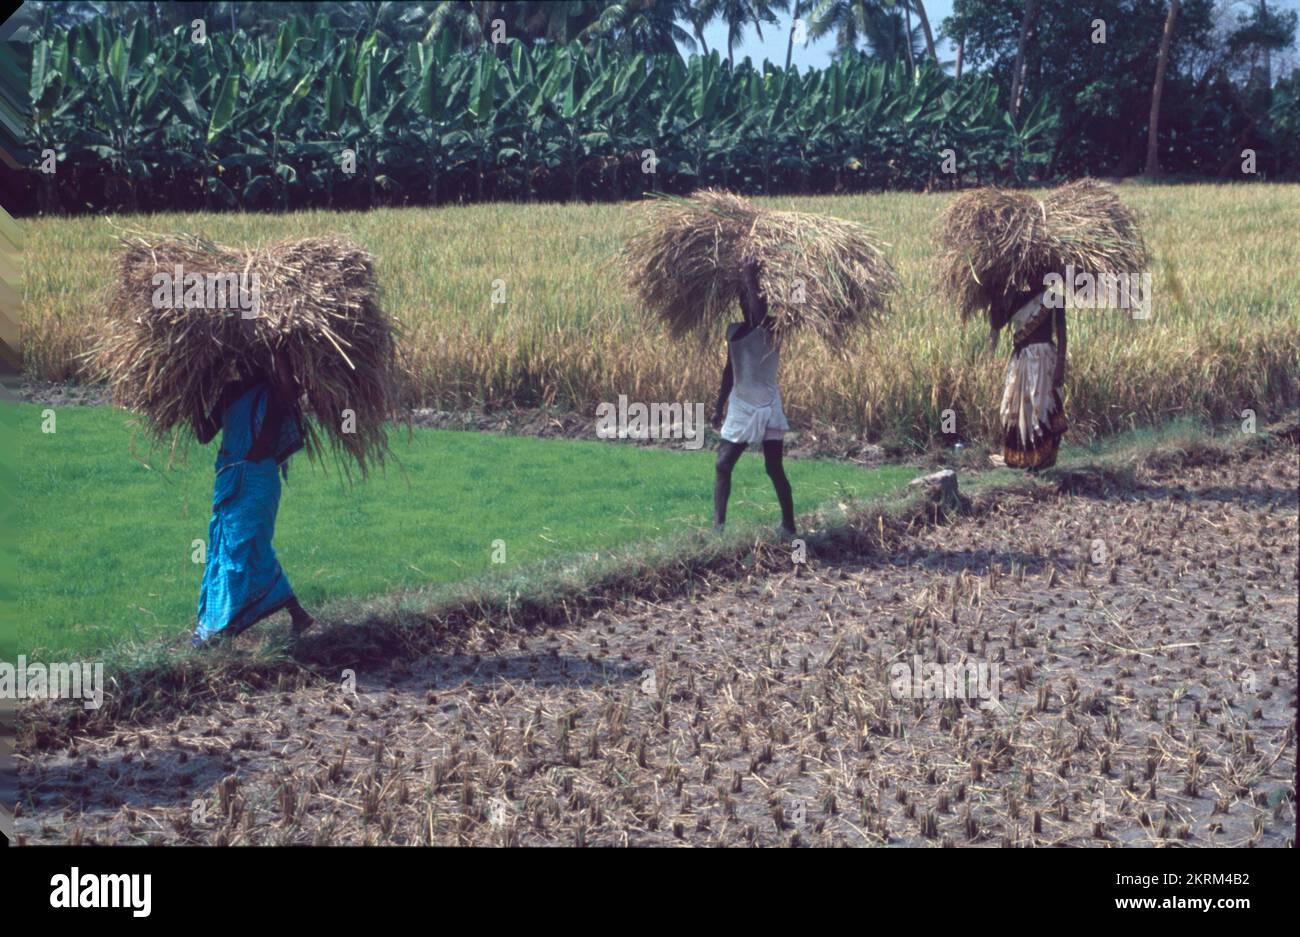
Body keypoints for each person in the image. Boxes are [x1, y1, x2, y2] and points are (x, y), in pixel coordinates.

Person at [190, 348, 314, 647]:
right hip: (229, 479)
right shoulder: (230, 392)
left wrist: (280, 346)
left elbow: (292, 388)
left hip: (258, 481)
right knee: (231, 549)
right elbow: (204, 434)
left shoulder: (274, 393)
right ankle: (296, 614)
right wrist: (191, 398)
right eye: (242, 361)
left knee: (243, 548)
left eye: (252, 360)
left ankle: (227, 627)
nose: (245, 366)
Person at [710, 257, 796, 537]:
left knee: (774, 468)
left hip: (768, 405)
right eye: (742, 299)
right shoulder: (734, 330)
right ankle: (718, 529)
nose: (746, 304)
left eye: (752, 298)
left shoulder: (773, 327)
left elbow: (759, 319)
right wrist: (719, 405)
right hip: (740, 404)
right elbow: (729, 370)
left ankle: (789, 525)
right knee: (722, 465)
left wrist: (749, 277)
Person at [994, 285, 1068, 471]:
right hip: (1021, 360)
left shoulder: (1054, 297)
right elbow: (998, 323)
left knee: (1041, 409)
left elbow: (1062, 334)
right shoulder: (1017, 297)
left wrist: (1060, 364)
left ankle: (1041, 460)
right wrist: (994, 296)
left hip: (1042, 359)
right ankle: (1022, 458)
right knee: (1015, 409)